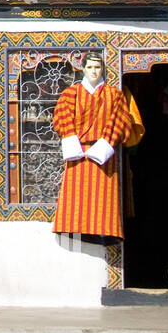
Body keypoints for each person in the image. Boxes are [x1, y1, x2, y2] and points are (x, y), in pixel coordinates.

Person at [52, 52, 132, 240]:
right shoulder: (70, 94)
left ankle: (105, 234)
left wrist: (105, 143)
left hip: (104, 155)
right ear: (83, 69)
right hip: (77, 154)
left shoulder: (114, 95)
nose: (94, 71)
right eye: (90, 67)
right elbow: (61, 117)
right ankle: (73, 230)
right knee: (77, 197)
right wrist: (72, 141)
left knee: (103, 199)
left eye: (97, 67)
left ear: (103, 69)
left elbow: (121, 120)